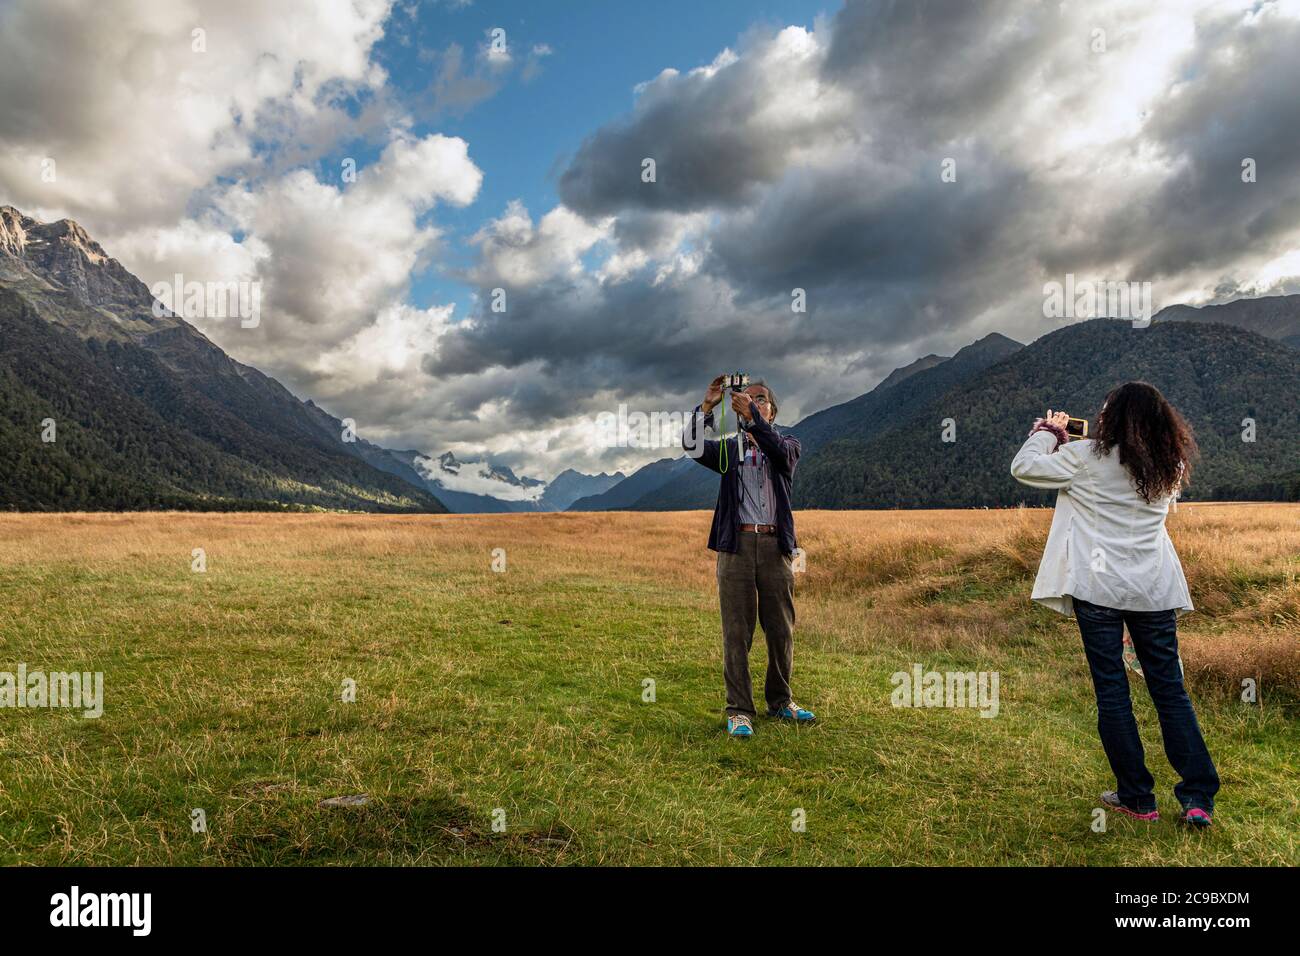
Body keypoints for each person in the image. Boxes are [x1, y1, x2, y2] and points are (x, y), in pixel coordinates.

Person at [1010, 381, 1219, 827]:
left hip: (1098, 591)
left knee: (1113, 693)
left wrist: (1050, 431)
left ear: (1110, 419)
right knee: (1170, 691)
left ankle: (1137, 798)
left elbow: (1024, 467)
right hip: (1154, 591)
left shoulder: (1085, 458)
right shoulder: (1171, 463)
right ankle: (1198, 798)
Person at [683, 376, 814, 737]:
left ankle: (781, 702)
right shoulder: (728, 450)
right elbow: (692, 447)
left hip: (775, 548)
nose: (751, 401)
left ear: (772, 411)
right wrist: (706, 407)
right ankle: (739, 709)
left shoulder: (786, 445)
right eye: (747, 398)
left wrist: (753, 419)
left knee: (780, 628)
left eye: (760, 399)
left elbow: (782, 455)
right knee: (736, 631)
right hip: (736, 546)